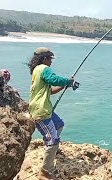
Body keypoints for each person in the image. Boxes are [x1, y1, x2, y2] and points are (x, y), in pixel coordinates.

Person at [27, 47, 75, 180]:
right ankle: (46, 170)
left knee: (59, 124)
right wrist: (67, 81)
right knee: (53, 140)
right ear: (44, 59)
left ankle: (52, 149)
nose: (51, 61)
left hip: (45, 109)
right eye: (50, 58)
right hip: (40, 111)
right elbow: (54, 79)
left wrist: (65, 85)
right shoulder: (44, 69)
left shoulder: (37, 71)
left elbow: (50, 90)